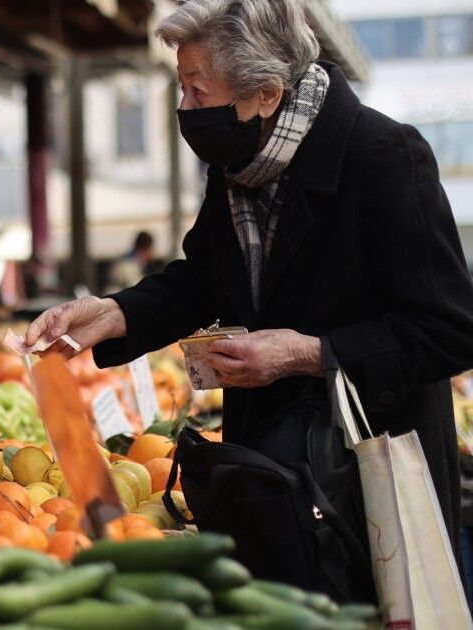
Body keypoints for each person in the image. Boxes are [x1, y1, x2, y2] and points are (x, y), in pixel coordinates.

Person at [26, 0, 473, 555]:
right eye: (181, 88)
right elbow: (203, 280)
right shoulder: (239, 164)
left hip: (368, 485)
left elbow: (450, 328)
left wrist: (308, 352)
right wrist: (115, 313)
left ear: (266, 93)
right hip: (273, 476)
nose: (184, 108)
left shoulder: (385, 157)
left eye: (197, 89)